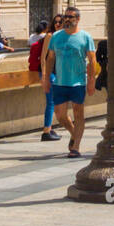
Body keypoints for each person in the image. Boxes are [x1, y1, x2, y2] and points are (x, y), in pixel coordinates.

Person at [45, 8, 96, 157]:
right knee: (60, 115)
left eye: (70, 17)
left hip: (78, 82)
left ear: (78, 19)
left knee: (78, 113)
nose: (66, 19)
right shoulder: (56, 36)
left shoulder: (85, 37)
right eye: (65, 17)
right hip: (60, 82)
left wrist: (92, 80)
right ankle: (74, 133)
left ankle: (76, 147)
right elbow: (50, 58)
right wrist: (46, 78)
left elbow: (92, 60)